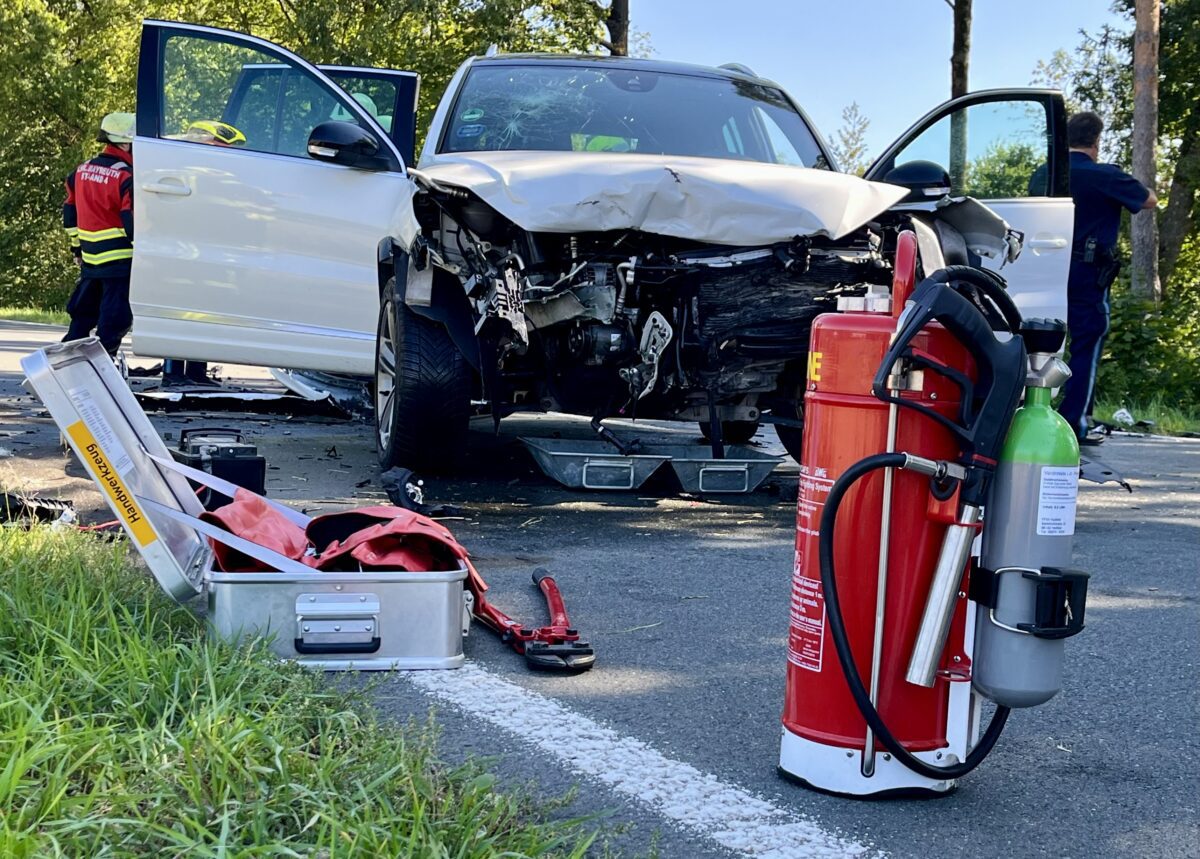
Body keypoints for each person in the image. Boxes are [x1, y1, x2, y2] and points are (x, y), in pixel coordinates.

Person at [1057, 111, 1157, 446]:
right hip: (1087, 275)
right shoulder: (1103, 176)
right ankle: (1075, 424)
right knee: (1086, 345)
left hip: (1046, 270)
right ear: (1097, 141)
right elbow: (1148, 200)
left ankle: (1033, 418)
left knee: (1040, 347)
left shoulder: (1048, 173)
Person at [161, 120, 247, 387]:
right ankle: (173, 373)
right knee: (178, 313)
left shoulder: (214, 176)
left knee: (204, 314)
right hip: (184, 254)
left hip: (207, 255)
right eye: (223, 147)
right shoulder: (188, 172)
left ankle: (196, 371)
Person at [62, 112, 136, 359]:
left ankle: (65, 362)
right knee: (114, 319)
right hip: (120, 260)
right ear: (125, 143)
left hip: (91, 259)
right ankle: (102, 366)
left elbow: (70, 214)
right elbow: (130, 219)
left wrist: (77, 249)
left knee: (83, 315)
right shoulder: (126, 176)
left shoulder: (80, 171)